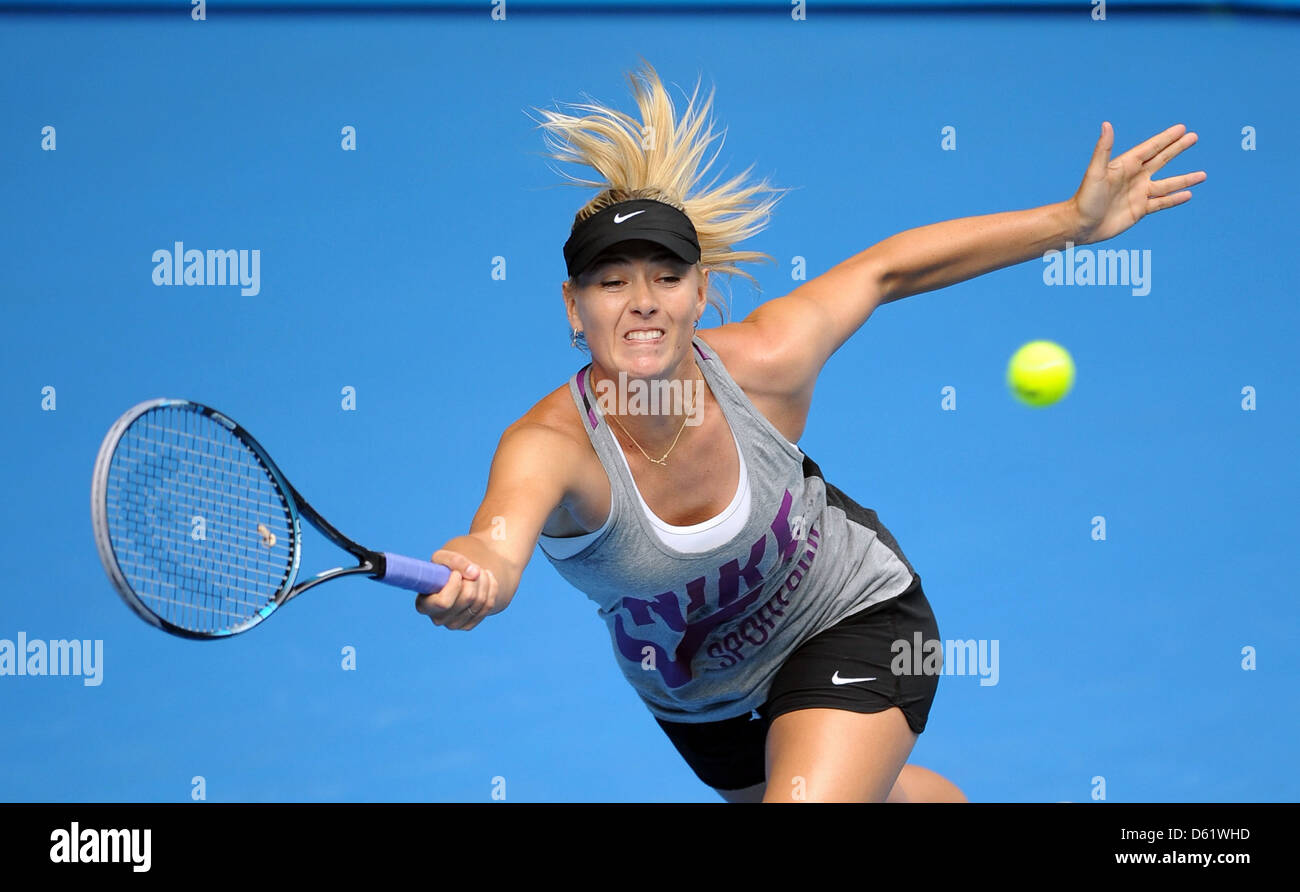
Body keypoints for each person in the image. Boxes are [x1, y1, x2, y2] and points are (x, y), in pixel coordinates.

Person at [414, 62, 1204, 803]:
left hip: (850, 614)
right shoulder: (551, 445)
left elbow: (886, 271)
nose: (642, 301)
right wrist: (474, 570)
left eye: (666, 277)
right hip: (698, 696)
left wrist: (1070, 220)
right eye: (611, 282)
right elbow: (497, 538)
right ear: (572, 309)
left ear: (700, 293)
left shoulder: (766, 360)